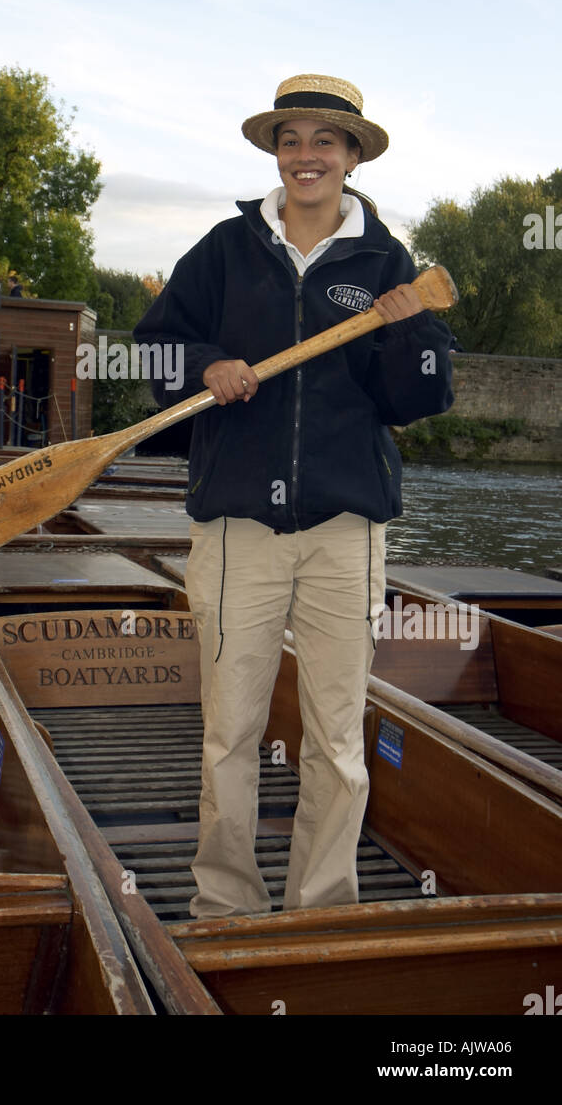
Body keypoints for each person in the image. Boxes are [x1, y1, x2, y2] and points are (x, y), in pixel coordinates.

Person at [133, 73, 455, 918]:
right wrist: (204, 365)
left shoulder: (387, 262)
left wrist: (408, 327)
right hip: (237, 522)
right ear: (274, 153)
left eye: (324, 141)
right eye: (291, 140)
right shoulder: (222, 250)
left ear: (351, 157)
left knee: (338, 740)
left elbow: (419, 397)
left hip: (345, 526)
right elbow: (153, 354)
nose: (305, 156)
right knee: (228, 735)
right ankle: (224, 909)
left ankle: (322, 908)